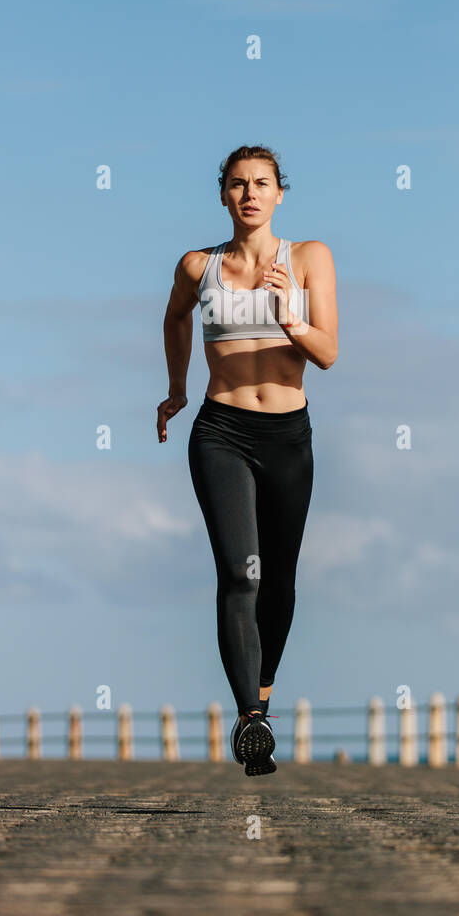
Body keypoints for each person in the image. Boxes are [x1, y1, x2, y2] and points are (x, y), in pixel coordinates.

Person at [157, 145, 338, 775]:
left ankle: (260, 694)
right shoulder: (198, 266)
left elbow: (329, 353)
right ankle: (250, 720)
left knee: (279, 584)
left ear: (280, 193)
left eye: (262, 183)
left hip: (288, 436)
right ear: (224, 195)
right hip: (221, 431)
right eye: (238, 184)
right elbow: (175, 318)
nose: (250, 194)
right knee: (242, 575)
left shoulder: (309, 259)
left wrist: (290, 314)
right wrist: (177, 388)